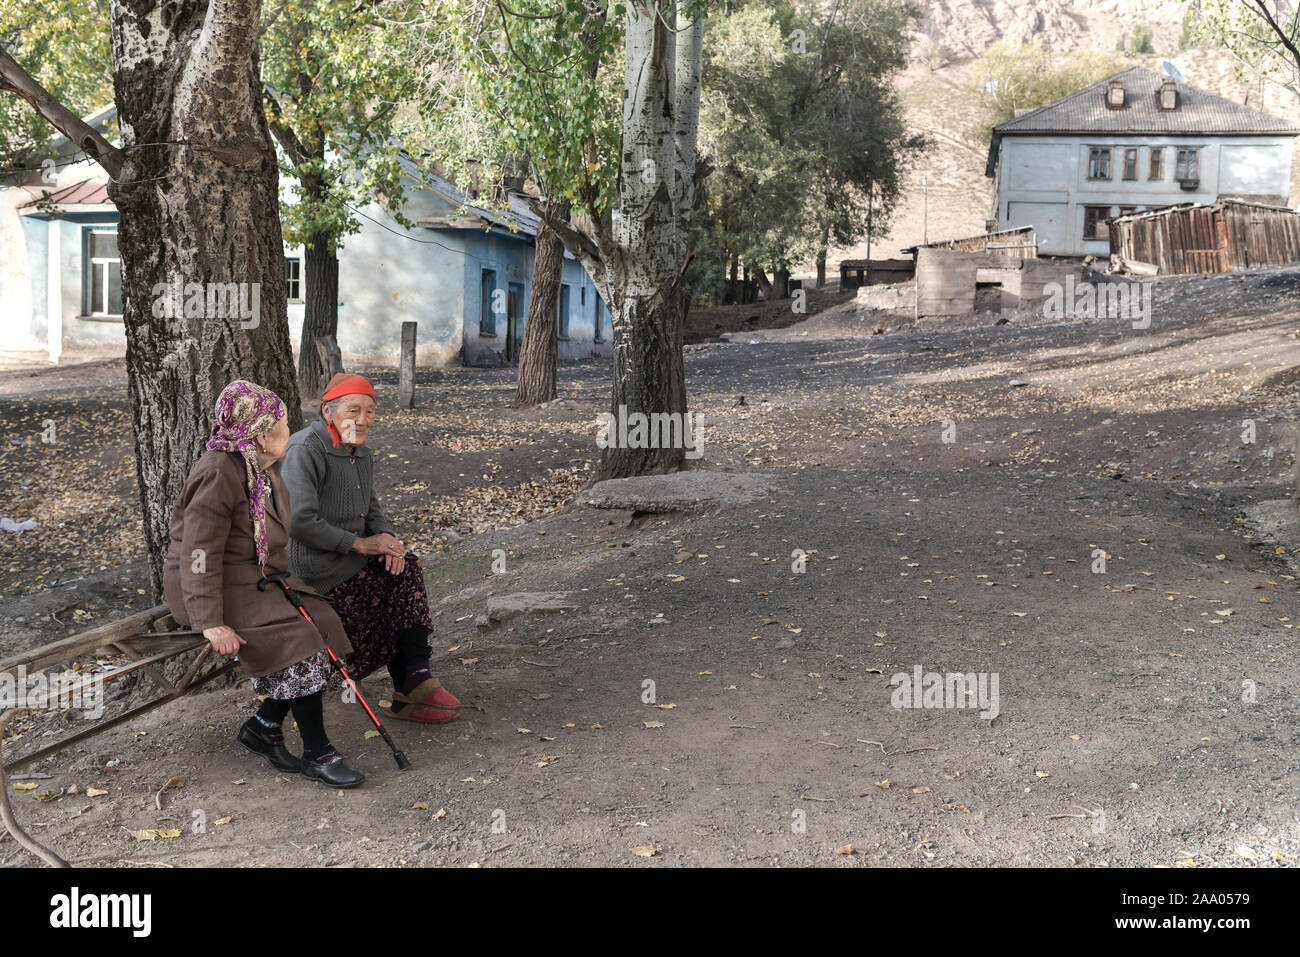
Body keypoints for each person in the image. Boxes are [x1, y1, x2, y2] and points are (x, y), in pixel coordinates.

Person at [162, 380, 365, 788]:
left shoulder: (261, 467)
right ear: (260, 434)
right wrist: (209, 621)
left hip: (254, 579)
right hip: (212, 588)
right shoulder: (220, 471)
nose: (289, 432)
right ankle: (317, 751)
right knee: (301, 639)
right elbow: (197, 553)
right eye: (283, 424)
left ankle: (265, 725)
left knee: (321, 619)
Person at [281, 372, 460, 723]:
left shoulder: (360, 454)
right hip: (313, 571)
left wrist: (387, 540)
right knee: (385, 596)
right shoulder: (305, 449)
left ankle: (416, 681)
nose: (362, 420)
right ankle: (412, 687)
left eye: (370, 411)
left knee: (404, 566)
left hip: (348, 559)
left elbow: (372, 510)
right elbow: (298, 520)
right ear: (328, 412)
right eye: (353, 410)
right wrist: (362, 544)